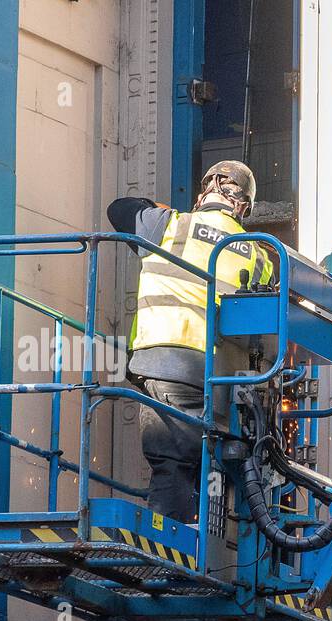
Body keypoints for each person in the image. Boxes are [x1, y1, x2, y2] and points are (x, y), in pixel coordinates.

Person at [107, 161, 273, 523]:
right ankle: (208, 543)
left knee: (171, 461)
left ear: (203, 194)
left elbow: (118, 209)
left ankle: (168, 545)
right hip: (221, 377)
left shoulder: (168, 225)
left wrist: (159, 208)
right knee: (215, 462)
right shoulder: (261, 257)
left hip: (164, 362)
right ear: (243, 207)